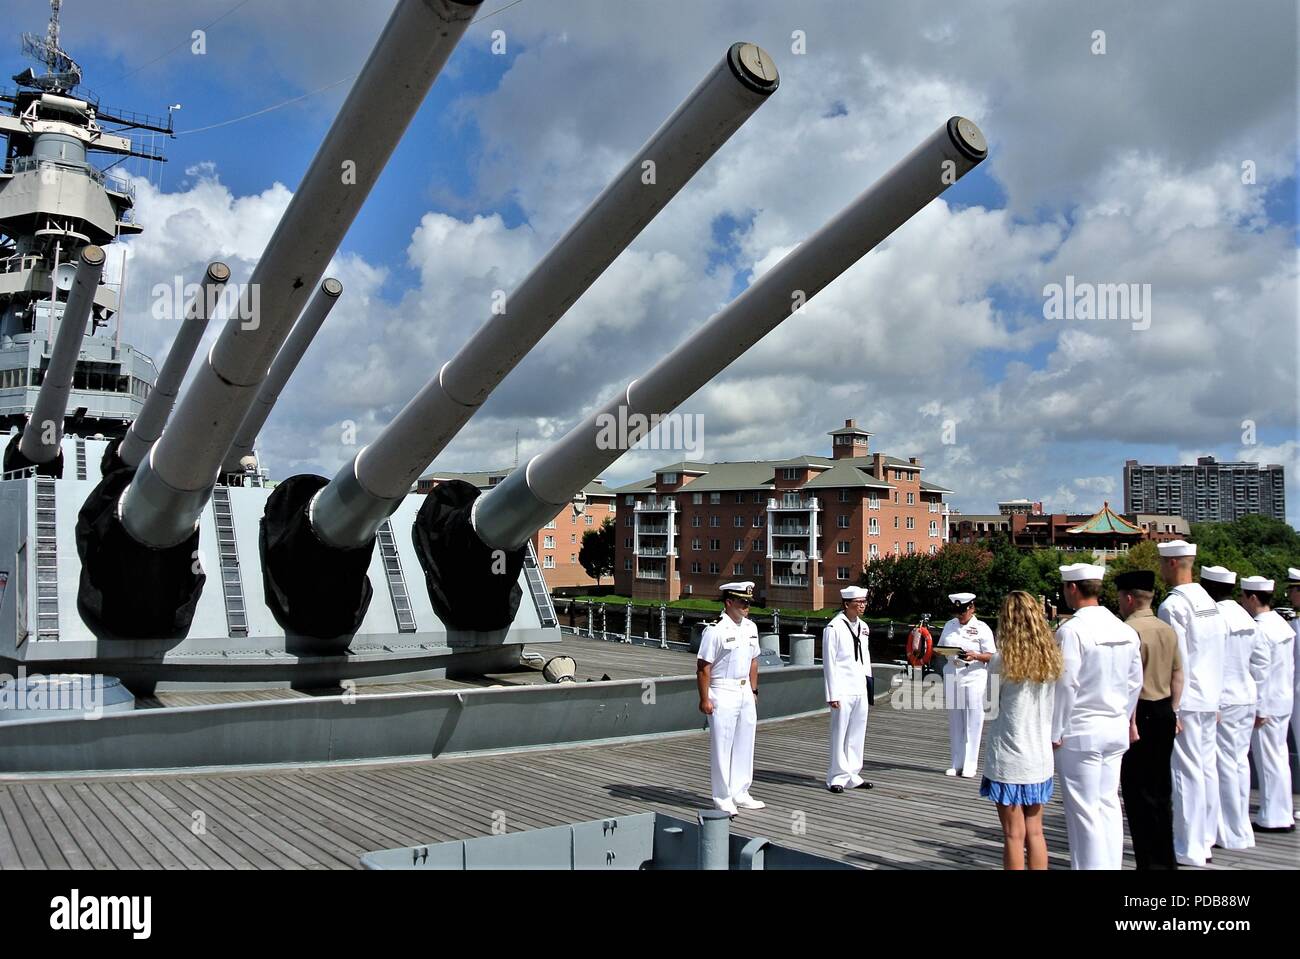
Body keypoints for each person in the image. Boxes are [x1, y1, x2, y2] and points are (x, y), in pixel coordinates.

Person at [1052, 563, 1143, 870]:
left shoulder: (1072, 630)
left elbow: (1066, 683)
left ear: (1072, 588)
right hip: (1115, 727)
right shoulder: (1125, 629)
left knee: (1084, 812)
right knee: (1108, 806)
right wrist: (1126, 717)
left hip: (1080, 730)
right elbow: (1135, 682)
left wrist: (1056, 729)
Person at [980, 591, 1063, 870]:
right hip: (1039, 758)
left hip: (1009, 757)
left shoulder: (1001, 660)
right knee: (1036, 832)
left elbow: (988, 708)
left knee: (1013, 835)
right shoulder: (1050, 659)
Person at [1157, 539, 1227, 867]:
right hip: (1211, 696)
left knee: (1185, 773)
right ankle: (1207, 837)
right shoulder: (1209, 602)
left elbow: (1176, 662)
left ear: (1172, 564)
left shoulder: (1173, 606)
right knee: (1206, 768)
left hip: (1187, 699)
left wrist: (1173, 706)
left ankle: (1188, 845)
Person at [1116, 569, 1183, 869]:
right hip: (1164, 710)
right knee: (1161, 790)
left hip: (1138, 714)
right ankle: (1166, 860)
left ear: (1128, 598)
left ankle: (1149, 863)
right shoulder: (1166, 629)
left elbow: (1126, 683)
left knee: (1138, 795)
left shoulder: (1128, 631)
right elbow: (1178, 673)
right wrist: (1175, 708)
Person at [1199, 566, 1270, 850]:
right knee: (1240, 763)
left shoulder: (1214, 617)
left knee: (1222, 765)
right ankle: (1239, 828)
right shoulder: (1246, 617)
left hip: (1223, 698)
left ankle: (1225, 831)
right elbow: (1261, 662)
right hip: (1246, 696)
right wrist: (1260, 701)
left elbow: (1209, 661)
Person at [696, 581, 764, 815]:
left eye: (748, 602)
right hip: (722, 689)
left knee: (746, 742)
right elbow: (704, 667)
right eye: (742, 602)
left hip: (745, 690)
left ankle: (741, 791)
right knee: (722, 746)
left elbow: (754, 660)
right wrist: (704, 699)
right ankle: (723, 797)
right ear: (729, 602)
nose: (747, 606)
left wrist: (753, 691)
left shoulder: (750, 628)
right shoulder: (715, 630)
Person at [1240, 575, 1296, 833]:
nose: (1242, 602)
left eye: (1244, 597)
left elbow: (1260, 673)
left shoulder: (1261, 628)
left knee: (1268, 761)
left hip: (1268, 704)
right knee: (1279, 757)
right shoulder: (1283, 625)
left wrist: (1258, 709)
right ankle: (1281, 812)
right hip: (1283, 699)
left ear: (1252, 597)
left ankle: (1273, 816)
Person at [939, 592, 996, 777]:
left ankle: (970, 764)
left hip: (973, 674)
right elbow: (940, 647)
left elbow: (992, 655)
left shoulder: (982, 628)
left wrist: (976, 655)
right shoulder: (949, 625)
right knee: (955, 720)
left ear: (972, 608)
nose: (960, 615)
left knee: (973, 719)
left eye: (963, 611)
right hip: (952, 673)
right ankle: (956, 762)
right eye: (957, 611)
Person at [823, 585, 874, 793]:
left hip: (859, 686)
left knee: (857, 732)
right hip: (842, 687)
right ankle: (837, 775)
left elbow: (866, 659)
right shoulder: (834, 628)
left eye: (864, 602)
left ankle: (853, 773)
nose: (862, 606)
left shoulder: (863, 626)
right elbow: (829, 662)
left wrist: (869, 687)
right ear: (846, 604)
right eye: (858, 603)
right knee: (840, 732)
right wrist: (832, 694)